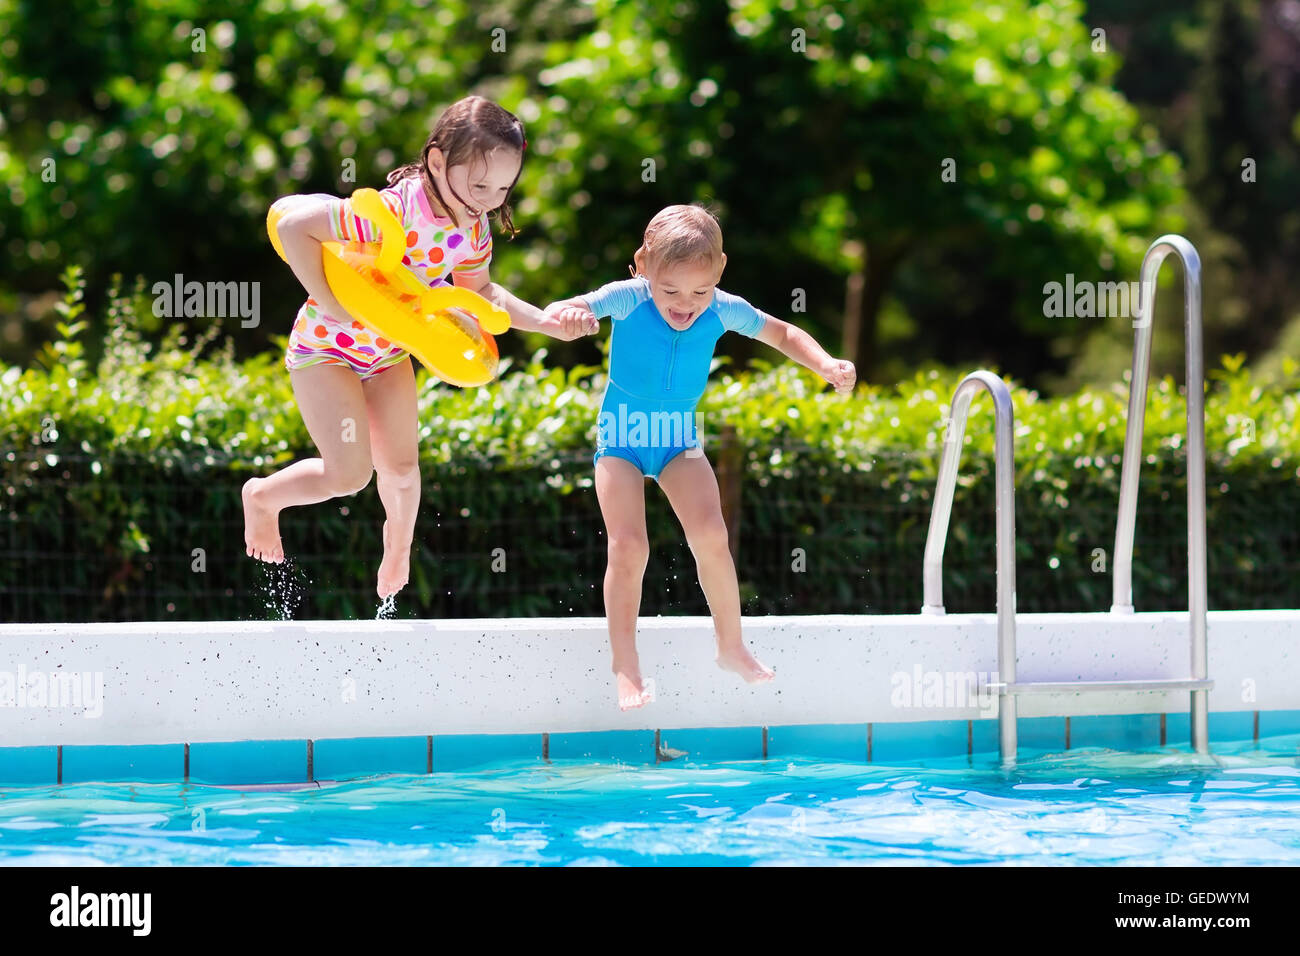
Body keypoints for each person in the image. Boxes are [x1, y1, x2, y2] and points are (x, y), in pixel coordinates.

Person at [243, 95, 594, 599]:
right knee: (350, 475)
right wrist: (328, 300)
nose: (490, 200)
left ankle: (399, 546)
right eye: (479, 185)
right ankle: (260, 497)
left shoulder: (472, 230)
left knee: (404, 471)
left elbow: (481, 293)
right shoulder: (389, 213)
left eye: (502, 188)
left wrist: (545, 322)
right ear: (436, 161)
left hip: (387, 354)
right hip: (326, 348)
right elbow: (294, 226)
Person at [545, 204, 856, 709]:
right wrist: (570, 314)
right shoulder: (627, 299)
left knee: (712, 533)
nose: (685, 304)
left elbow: (782, 332)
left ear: (720, 272)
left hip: (678, 442)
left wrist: (824, 363)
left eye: (700, 291)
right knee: (629, 547)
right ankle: (625, 664)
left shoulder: (722, 309)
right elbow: (567, 307)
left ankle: (730, 646)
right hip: (621, 440)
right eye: (670, 291)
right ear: (643, 265)